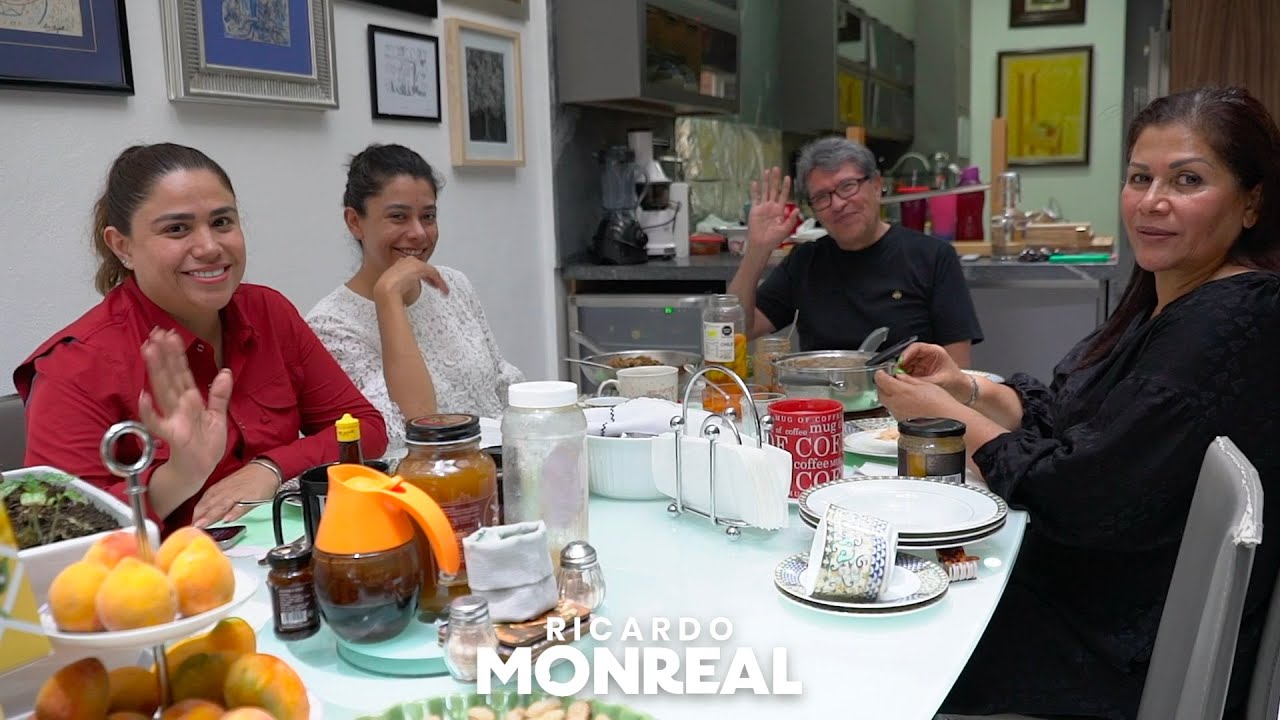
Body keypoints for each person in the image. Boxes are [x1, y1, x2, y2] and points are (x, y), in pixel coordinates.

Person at [878, 86, 1280, 719]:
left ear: (1251, 202)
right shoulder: (1170, 298)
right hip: (1100, 601)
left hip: (1116, 648)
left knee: (892, 633)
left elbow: (1076, 492)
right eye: (1140, 177)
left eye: (1188, 180)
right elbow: (1077, 417)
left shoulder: (1227, 322)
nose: (1152, 201)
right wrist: (967, 387)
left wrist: (944, 419)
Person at [14, 143, 389, 532]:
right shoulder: (75, 365)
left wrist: (271, 468)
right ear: (122, 246)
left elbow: (365, 427)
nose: (210, 247)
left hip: (286, 550)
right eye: (177, 229)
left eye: (222, 222)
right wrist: (178, 478)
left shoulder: (268, 312)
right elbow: (53, 532)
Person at [306, 144, 523, 449]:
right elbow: (411, 426)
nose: (419, 233)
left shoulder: (453, 284)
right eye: (398, 217)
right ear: (355, 222)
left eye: (428, 216)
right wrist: (388, 295)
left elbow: (502, 384)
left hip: (497, 462)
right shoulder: (330, 326)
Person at [727, 137, 983, 366]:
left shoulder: (933, 257)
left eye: (848, 186)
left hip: (910, 401)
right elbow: (736, 331)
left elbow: (957, 371)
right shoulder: (805, 261)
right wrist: (757, 250)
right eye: (822, 197)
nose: (838, 204)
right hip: (821, 401)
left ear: (876, 185)